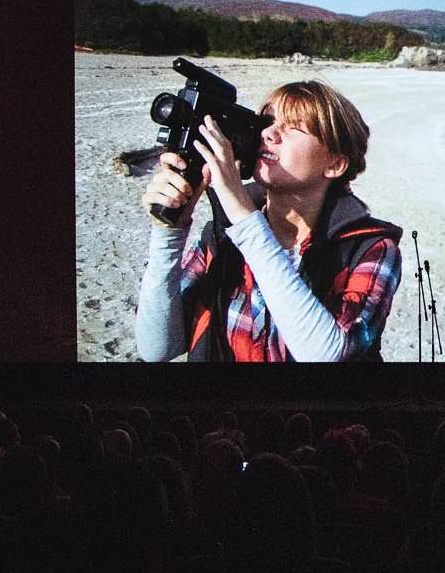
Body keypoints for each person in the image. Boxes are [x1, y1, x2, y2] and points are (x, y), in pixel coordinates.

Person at [136, 80, 403, 362]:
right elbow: (157, 349)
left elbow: (330, 354)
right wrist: (168, 232)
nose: (270, 134)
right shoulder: (224, 236)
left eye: (295, 126)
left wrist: (243, 216)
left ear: (335, 164)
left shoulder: (370, 249)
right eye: (269, 120)